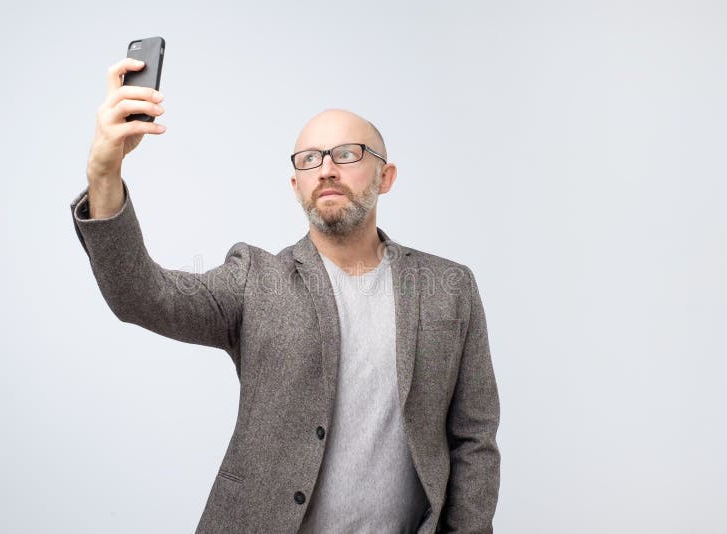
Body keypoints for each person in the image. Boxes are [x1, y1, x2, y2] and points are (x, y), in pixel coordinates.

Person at [71, 58, 501, 534]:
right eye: (310, 159)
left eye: (348, 154)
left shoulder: (449, 287)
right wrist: (103, 174)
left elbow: (474, 438)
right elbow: (141, 295)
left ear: (386, 176)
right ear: (296, 186)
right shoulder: (255, 279)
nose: (327, 170)